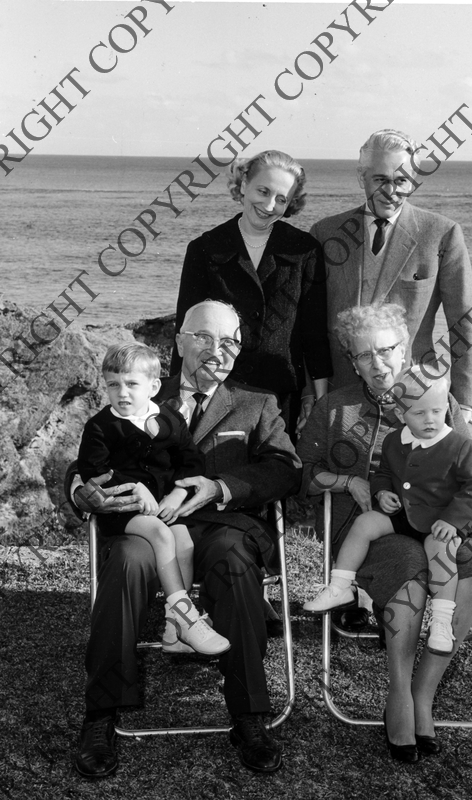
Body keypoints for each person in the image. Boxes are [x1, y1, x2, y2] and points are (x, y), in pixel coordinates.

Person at [73, 299, 301, 779]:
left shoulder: (257, 403)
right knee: (127, 561)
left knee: (234, 561)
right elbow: (87, 459)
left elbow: (285, 469)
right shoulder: (138, 386)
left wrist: (220, 487)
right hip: (148, 524)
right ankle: (101, 714)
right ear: (179, 341)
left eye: (230, 341)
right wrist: (81, 490)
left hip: (223, 524)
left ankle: (249, 714)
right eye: (204, 337)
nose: (218, 350)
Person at [297, 303, 472, 762]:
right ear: (352, 361)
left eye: (386, 350)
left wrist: (456, 518)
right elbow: (301, 472)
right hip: (366, 530)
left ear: (404, 349)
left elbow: (469, 471)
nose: (378, 363)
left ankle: (424, 694)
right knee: (408, 564)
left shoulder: (435, 398)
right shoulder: (336, 407)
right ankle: (399, 695)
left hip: (438, 522)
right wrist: (349, 481)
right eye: (364, 355)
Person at [303, 366, 472, 657]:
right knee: (366, 523)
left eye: (437, 411)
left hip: (441, 519)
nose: (430, 420)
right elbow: (384, 473)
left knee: (440, 551)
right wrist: (382, 492)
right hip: (405, 514)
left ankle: (441, 622)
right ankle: (340, 586)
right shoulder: (394, 441)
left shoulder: (459, 445)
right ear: (401, 414)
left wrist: (453, 521)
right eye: (419, 413)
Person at [310, 129, 472, 420]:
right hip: (338, 398)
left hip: (415, 398)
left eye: (401, 180)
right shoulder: (325, 233)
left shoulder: (441, 234)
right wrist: (310, 394)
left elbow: (464, 321)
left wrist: (464, 403)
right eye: (380, 180)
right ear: (362, 177)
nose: (391, 192)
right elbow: (309, 325)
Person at [77, 342, 230, 657]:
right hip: (122, 510)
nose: (122, 393)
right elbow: (94, 471)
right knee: (162, 534)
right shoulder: (100, 427)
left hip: (161, 506)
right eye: (113, 385)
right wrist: (135, 488)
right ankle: (187, 617)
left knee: (183, 541)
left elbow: (191, 460)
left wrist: (177, 493)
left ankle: (174, 631)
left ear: (154, 387)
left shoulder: (169, 419)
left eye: (132, 384)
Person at [171, 149, 332, 438]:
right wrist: (176, 400)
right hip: (215, 392)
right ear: (244, 185)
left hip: (281, 396)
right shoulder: (205, 248)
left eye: (281, 199)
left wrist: (320, 400)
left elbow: (314, 333)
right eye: (263, 191)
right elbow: (185, 330)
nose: (269, 205)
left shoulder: (305, 250)